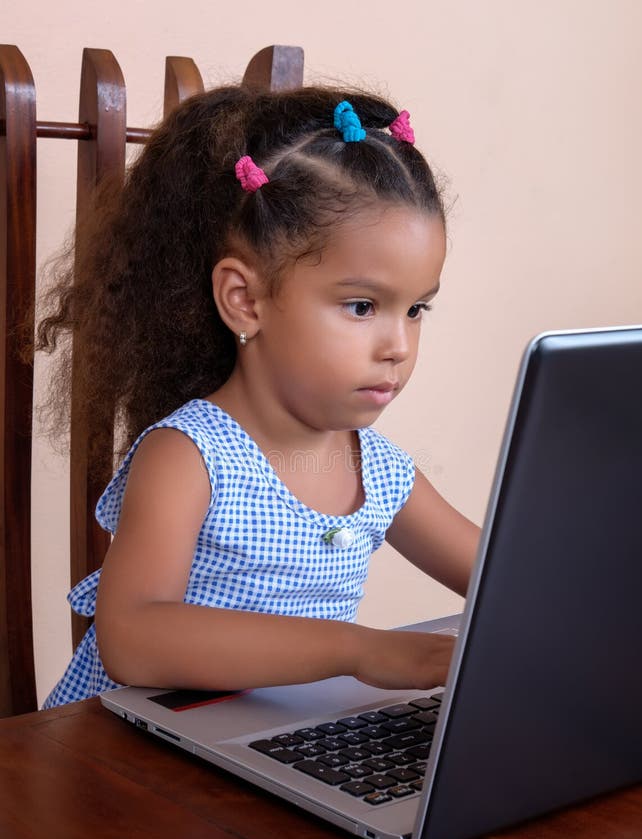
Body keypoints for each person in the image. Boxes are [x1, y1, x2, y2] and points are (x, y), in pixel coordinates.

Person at [36, 86, 480, 708]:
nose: (398, 345)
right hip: (126, 767)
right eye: (362, 306)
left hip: (265, 748)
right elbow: (131, 637)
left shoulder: (379, 471)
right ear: (245, 300)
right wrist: (360, 650)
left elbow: (507, 586)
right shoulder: (191, 454)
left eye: (415, 309)